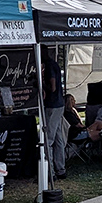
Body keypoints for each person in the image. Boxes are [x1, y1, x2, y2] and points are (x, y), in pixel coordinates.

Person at [41, 47, 66, 180]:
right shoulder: (53, 64)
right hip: (59, 104)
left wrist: (40, 85)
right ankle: (60, 169)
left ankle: (50, 171)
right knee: (58, 138)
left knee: (48, 139)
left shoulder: (49, 66)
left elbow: (53, 87)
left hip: (52, 105)